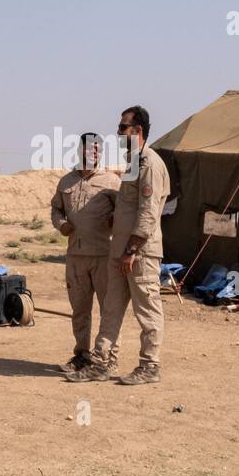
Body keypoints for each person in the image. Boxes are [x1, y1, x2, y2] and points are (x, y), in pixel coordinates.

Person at [65, 105, 170, 385]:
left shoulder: (150, 163)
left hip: (139, 254)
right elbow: (128, 207)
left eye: (122, 127)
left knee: (147, 310)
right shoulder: (133, 163)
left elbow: (148, 212)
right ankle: (101, 363)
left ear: (137, 131)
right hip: (119, 252)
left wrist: (132, 249)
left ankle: (150, 366)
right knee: (111, 309)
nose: (118, 131)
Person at [51, 133, 121, 374]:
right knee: (80, 309)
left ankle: (108, 358)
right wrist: (62, 225)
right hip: (76, 257)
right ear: (79, 151)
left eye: (97, 151)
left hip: (104, 255)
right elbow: (56, 210)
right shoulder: (66, 182)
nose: (93, 154)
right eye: (88, 150)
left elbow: (124, 212)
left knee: (108, 309)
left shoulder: (112, 182)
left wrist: (114, 220)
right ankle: (81, 355)